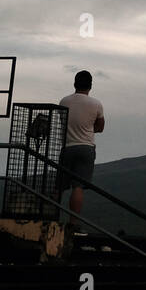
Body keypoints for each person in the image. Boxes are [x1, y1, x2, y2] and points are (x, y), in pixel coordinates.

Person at [56, 70, 104, 219]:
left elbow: (64, 122)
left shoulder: (64, 101)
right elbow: (100, 127)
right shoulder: (96, 104)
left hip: (68, 146)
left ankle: (51, 217)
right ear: (90, 86)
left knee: (59, 187)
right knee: (78, 187)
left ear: (74, 83)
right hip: (86, 148)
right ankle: (73, 223)